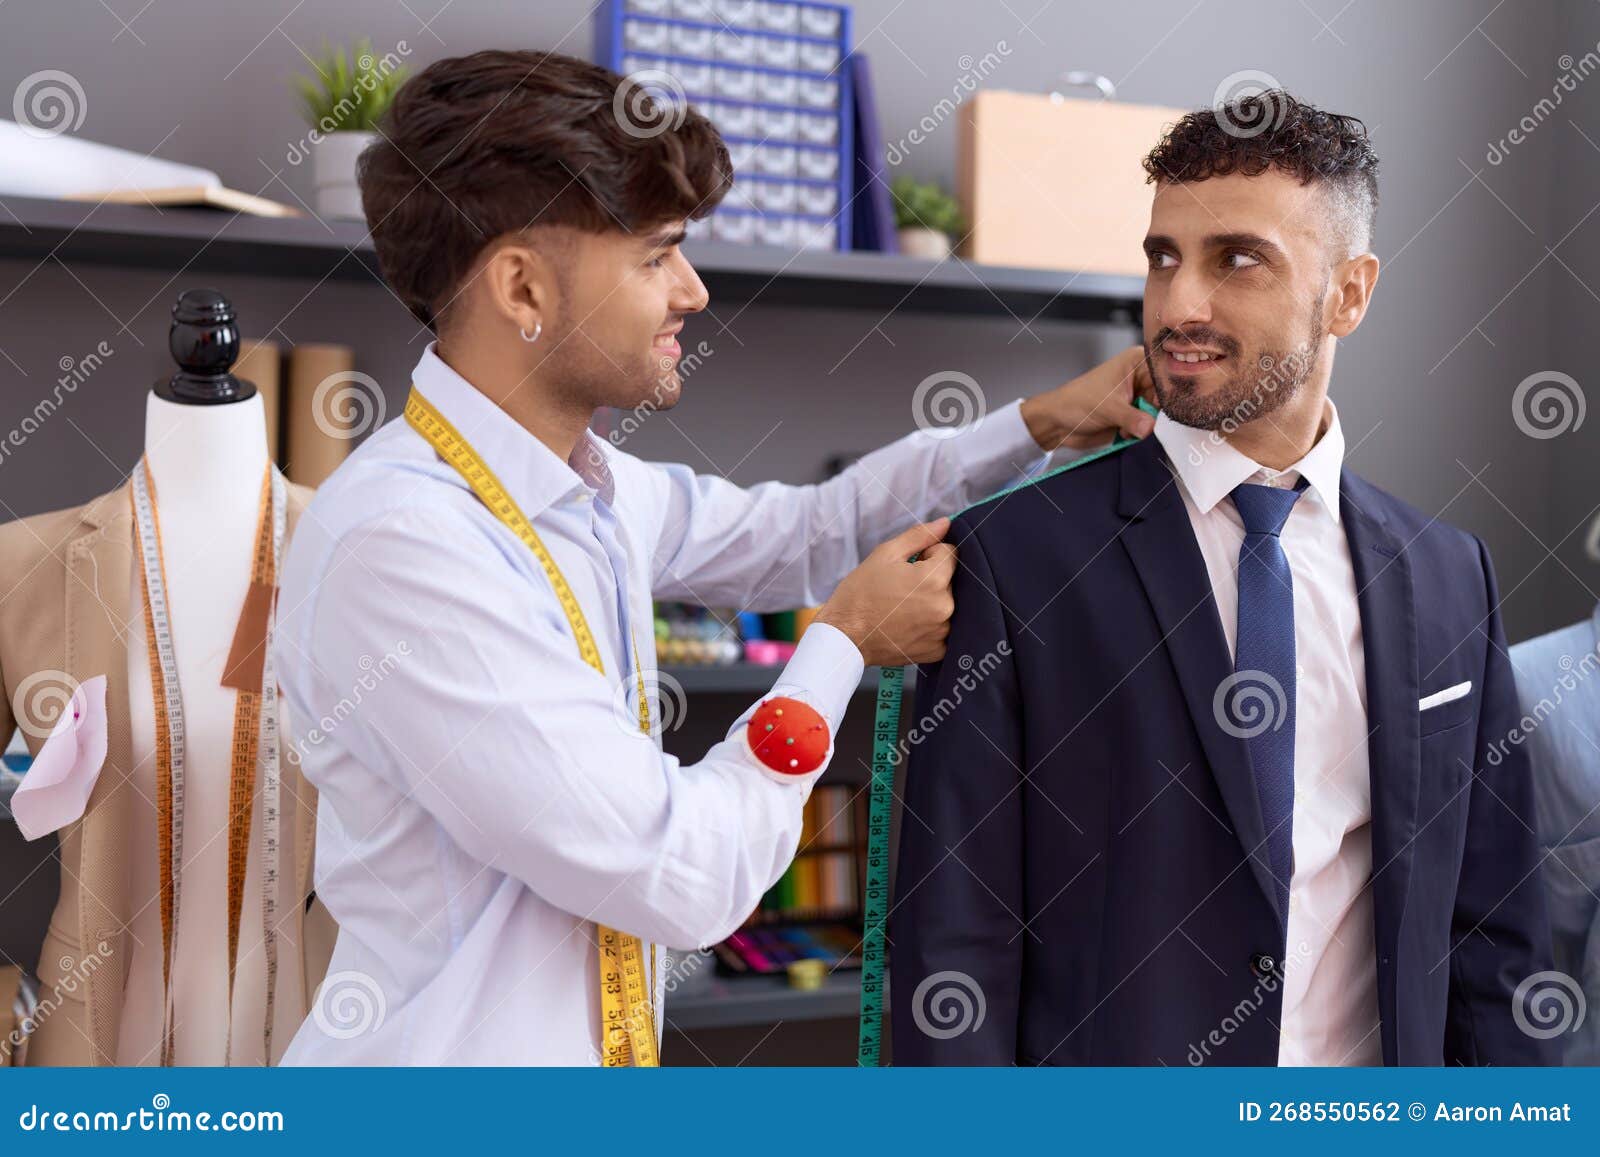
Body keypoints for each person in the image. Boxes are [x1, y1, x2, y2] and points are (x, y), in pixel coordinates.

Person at [272, 49, 1153, 1065]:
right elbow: (681, 873)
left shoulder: (584, 486)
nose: (692, 289)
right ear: (521, 286)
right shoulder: (406, 545)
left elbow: (808, 529)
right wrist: (840, 647)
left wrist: (1034, 423)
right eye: (656, 255)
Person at [891, 91, 1559, 1066]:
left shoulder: (1452, 573)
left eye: (1236, 259)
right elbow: (954, 936)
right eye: (1163, 257)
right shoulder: (1015, 557)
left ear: (1349, 293)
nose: (1178, 306)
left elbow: (1496, 928)